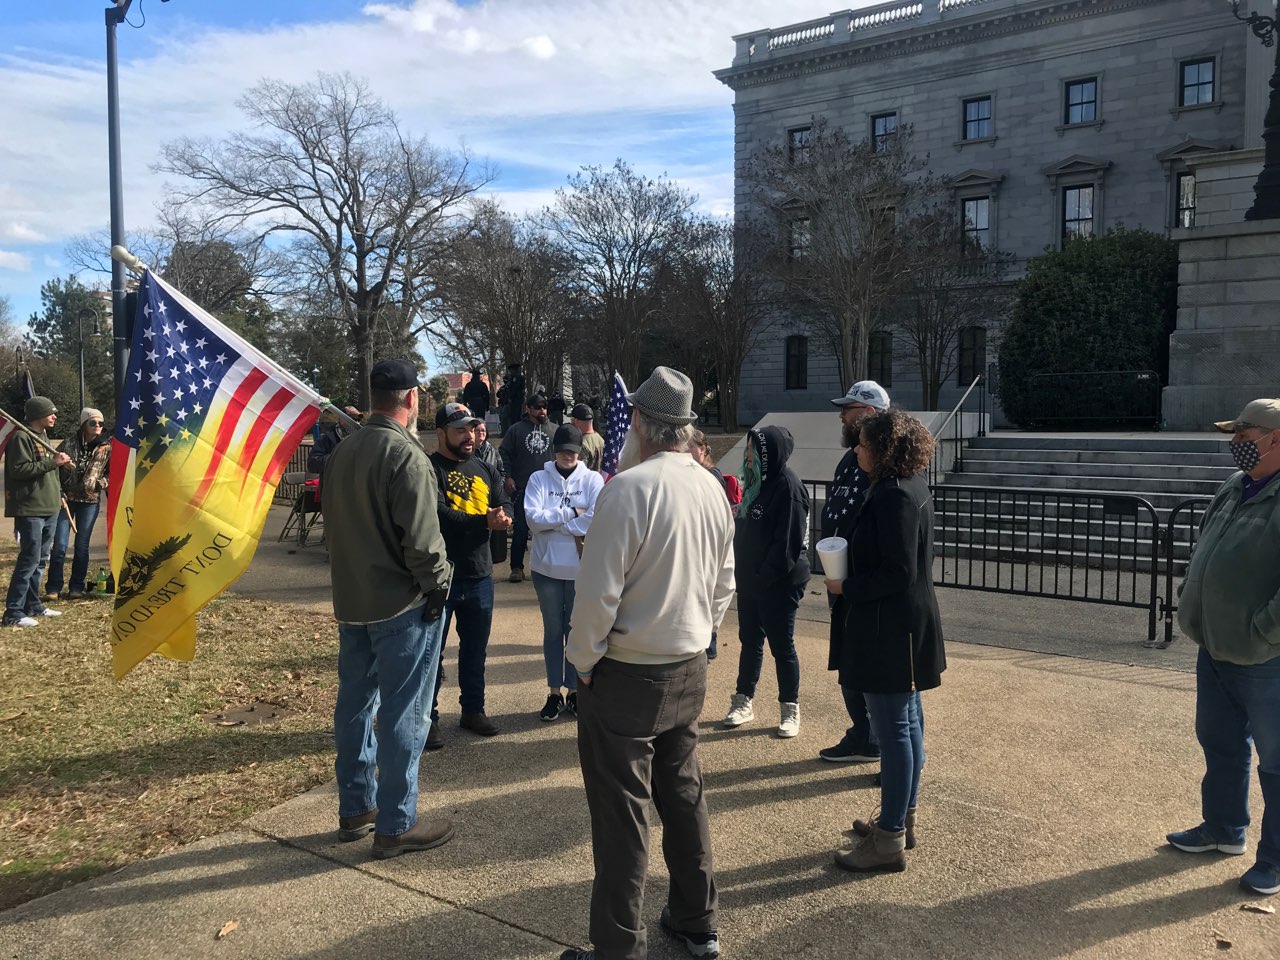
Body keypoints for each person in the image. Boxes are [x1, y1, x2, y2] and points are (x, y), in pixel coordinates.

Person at [561, 366, 735, 960]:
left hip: (628, 671)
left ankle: (617, 946)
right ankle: (696, 919)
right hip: (688, 663)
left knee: (622, 815)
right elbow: (723, 583)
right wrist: (700, 631)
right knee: (683, 796)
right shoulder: (711, 486)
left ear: (639, 421)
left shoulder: (628, 489)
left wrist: (581, 661)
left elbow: (597, 594)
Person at [321, 359, 455, 859]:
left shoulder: (345, 449)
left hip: (352, 598)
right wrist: (438, 584)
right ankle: (396, 823)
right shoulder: (405, 454)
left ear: (374, 395)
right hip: (402, 601)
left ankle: (356, 806)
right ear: (413, 399)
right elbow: (423, 541)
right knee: (406, 711)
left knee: (355, 705)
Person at [1167, 398, 1280, 897]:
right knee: (1220, 742)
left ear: (1276, 438)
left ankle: (1274, 860)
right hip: (1214, 647)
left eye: (1245, 435)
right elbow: (1203, 545)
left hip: (1264, 657)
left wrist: (1264, 629)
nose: (1235, 443)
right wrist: (1191, 589)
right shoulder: (1235, 487)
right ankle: (1223, 828)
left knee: (1277, 762)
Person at [825, 409, 944, 873]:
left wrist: (845, 587)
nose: (856, 449)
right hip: (903, 624)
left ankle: (891, 836)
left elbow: (898, 571)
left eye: (864, 443)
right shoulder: (909, 484)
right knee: (908, 721)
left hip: (888, 628)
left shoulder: (894, 495)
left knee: (896, 728)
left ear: (885, 449)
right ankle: (900, 819)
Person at [427, 402, 512, 746]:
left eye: (470, 429)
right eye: (459, 429)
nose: (467, 436)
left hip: (479, 575)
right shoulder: (430, 469)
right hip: (441, 575)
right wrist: (485, 521)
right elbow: (441, 513)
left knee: (475, 649)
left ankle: (472, 710)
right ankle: (427, 719)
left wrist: (504, 515)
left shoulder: (485, 467)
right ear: (441, 433)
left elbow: (503, 502)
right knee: (432, 653)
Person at [819, 381, 891, 764]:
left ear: (870, 414)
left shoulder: (885, 463)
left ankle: (881, 742)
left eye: (849, 409)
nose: (842, 415)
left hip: (864, 583)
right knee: (848, 663)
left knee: (870, 668)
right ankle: (861, 733)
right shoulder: (851, 458)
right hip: (840, 579)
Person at [723, 426, 810, 739]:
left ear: (768, 454)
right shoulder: (754, 484)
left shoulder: (789, 488)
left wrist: (762, 578)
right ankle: (743, 700)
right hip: (749, 580)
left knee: (782, 645)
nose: (747, 456)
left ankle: (790, 707)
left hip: (779, 583)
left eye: (752, 450)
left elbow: (786, 546)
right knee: (750, 641)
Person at [525, 423, 604, 722]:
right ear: (555, 451)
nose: (567, 456)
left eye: (572, 451)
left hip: (579, 568)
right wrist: (572, 514)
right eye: (562, 451)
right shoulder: (538, 478)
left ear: (579, 452)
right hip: (545, 568)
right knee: (552, 631)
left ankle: (574, 692)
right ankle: (553, 692)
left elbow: (596, 519)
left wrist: (554, 523)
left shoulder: (593, 480)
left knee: (574, 632)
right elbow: (533, 519)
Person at [3, 397, 71, 628]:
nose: (54, 417)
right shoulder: (22, 437)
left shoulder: (42, 436)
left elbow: (51, 472)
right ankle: (13, 612)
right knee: (29, 560)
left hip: (50, 506)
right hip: (31, 508)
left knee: (41, 559)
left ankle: (33, 605)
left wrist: (59, 493)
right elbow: (19, 470)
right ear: (38, 415)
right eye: (50, 413)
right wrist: (54, 463)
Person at [45, 407, 111, 600]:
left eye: (100, 423)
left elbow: (112, 472)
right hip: (66, 501)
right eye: (93, 422)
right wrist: (58, 491)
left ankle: (76, 587)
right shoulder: (69, 443)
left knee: (82, 546)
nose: (97, 426)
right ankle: (53, 588)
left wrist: (102, 483)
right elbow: (53, 468)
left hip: (89, 502)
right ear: (84, 424)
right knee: (59, 546)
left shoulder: (106, 447)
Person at [689, 430, 741, 661]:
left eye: (691, 446)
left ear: (703, 449)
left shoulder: (712, 476)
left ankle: (709, 643)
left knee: (711, 593)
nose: (687, 451)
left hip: (707, 545)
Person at [498, 393, 555, 583]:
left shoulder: (555, 430)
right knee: (521, 529)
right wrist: (508, 476)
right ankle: (516, 567)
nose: (542, 411)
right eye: (538, 407)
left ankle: (549, 567)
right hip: (523, 488)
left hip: (549, 489)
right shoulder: (515, 430)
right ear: (528, 409)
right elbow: (504, 453)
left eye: (545, 407)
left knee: (549, 529)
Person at [307, 405, 362, 478]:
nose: (356, 422)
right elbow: (313, 464)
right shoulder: (327, 438)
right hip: (334, 484)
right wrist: (337, 456)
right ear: (341, 419)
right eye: (351, 419)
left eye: (358, 419)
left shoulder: (364, 437)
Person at [571, 404, 605, 473]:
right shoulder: (601, 439)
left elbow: (578, 472)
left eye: (572, 420)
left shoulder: (582, 444)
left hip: (587, 482)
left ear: (576, 421)